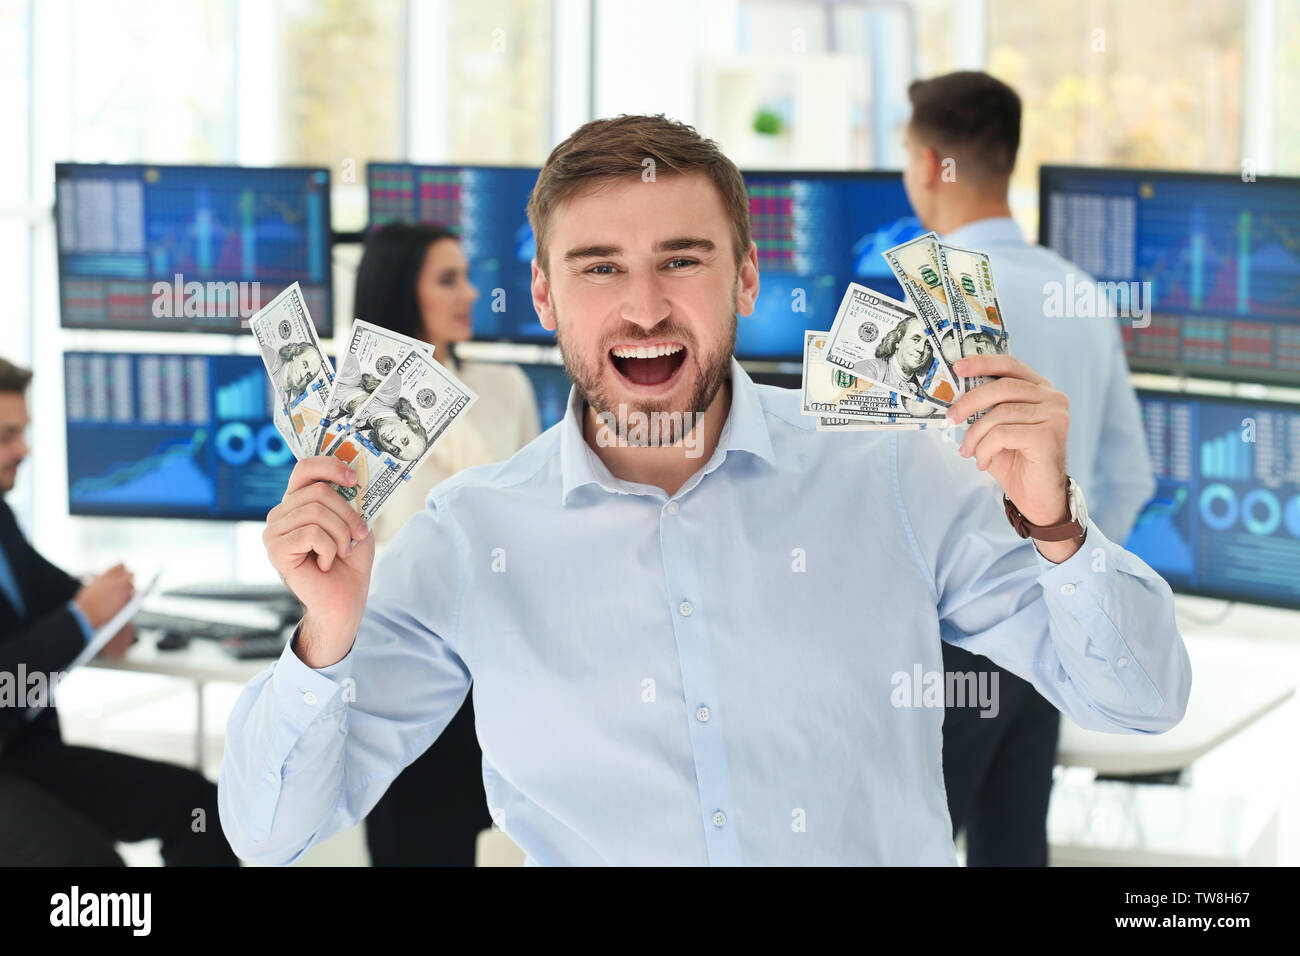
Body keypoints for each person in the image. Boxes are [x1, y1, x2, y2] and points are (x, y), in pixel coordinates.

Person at [220, 114, 1189, 866]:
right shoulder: (471, 535)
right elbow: (269, 831)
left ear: (746, 278)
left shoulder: (894, 475)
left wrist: (1057, 527)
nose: (644, 306)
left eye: (682, 260)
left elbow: (1144, 700)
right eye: (600, 267)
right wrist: (323, 639)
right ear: (547, 296)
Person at [901, 71, 1157, 866]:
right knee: (1014, 852)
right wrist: (1065, 580)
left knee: (907, 847)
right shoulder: (1080, 291)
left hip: (950, 647)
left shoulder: (933, 298)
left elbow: (893, 492)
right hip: (1053, 635)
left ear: (927, 163)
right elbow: (1131, 476)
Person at [349, 224, 541, 866]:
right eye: (448, 279)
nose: (471, 293)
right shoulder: (351, 410)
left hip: (498, 667)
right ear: (402, 293)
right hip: (404, 672)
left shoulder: (506, 387)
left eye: (466, 275)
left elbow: (534, 522)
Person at [0, 358, 238, 866]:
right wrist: (81, 619)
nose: (24, 450)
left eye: (22, 432)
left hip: (23, 753)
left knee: (204, 808)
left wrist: (105, 613)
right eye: (7, 436)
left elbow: (48, 589)